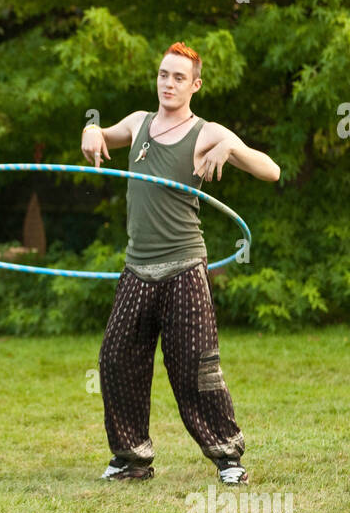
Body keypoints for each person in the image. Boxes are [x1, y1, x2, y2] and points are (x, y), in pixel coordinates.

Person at [81, 42, 280, 484]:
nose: (168, 83)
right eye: (162, 75)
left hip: (184, 267)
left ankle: (229, 459)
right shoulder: (139, 124)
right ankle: (131, 459)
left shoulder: (207, 132)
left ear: (195, 85)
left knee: (195, 367)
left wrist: (229, 148)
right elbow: (104, 134)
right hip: (137, 268)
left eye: (178, 77)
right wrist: (92, 130)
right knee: (116, 360)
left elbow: (271, 171)